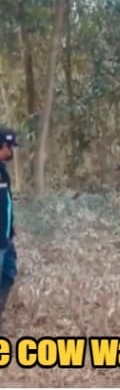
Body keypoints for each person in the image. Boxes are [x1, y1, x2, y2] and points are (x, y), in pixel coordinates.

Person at [0, 128, 18, 332]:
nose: (12, 151)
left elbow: (5, 204)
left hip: (6, 239)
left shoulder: (3, 172)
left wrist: (10, 229)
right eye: (10, 147)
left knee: (9, 273)